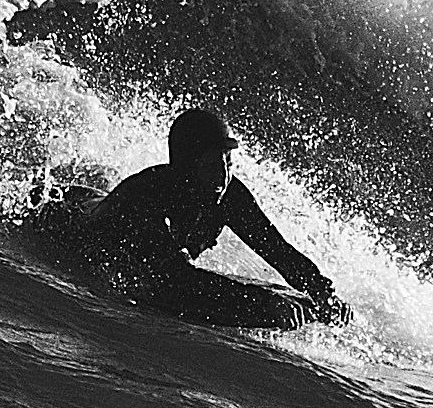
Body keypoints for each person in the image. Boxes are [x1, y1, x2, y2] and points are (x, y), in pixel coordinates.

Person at [85, 107, 343, 324]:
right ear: (187, 168)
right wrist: (262, 302)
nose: (223, 175)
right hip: (72, 226)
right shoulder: (146, 197)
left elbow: (276, 249)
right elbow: (173, 279)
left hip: (159, 268)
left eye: (228, 162)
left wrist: (323, 293)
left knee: (304, 305)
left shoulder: (228, 194)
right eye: (211, 164)